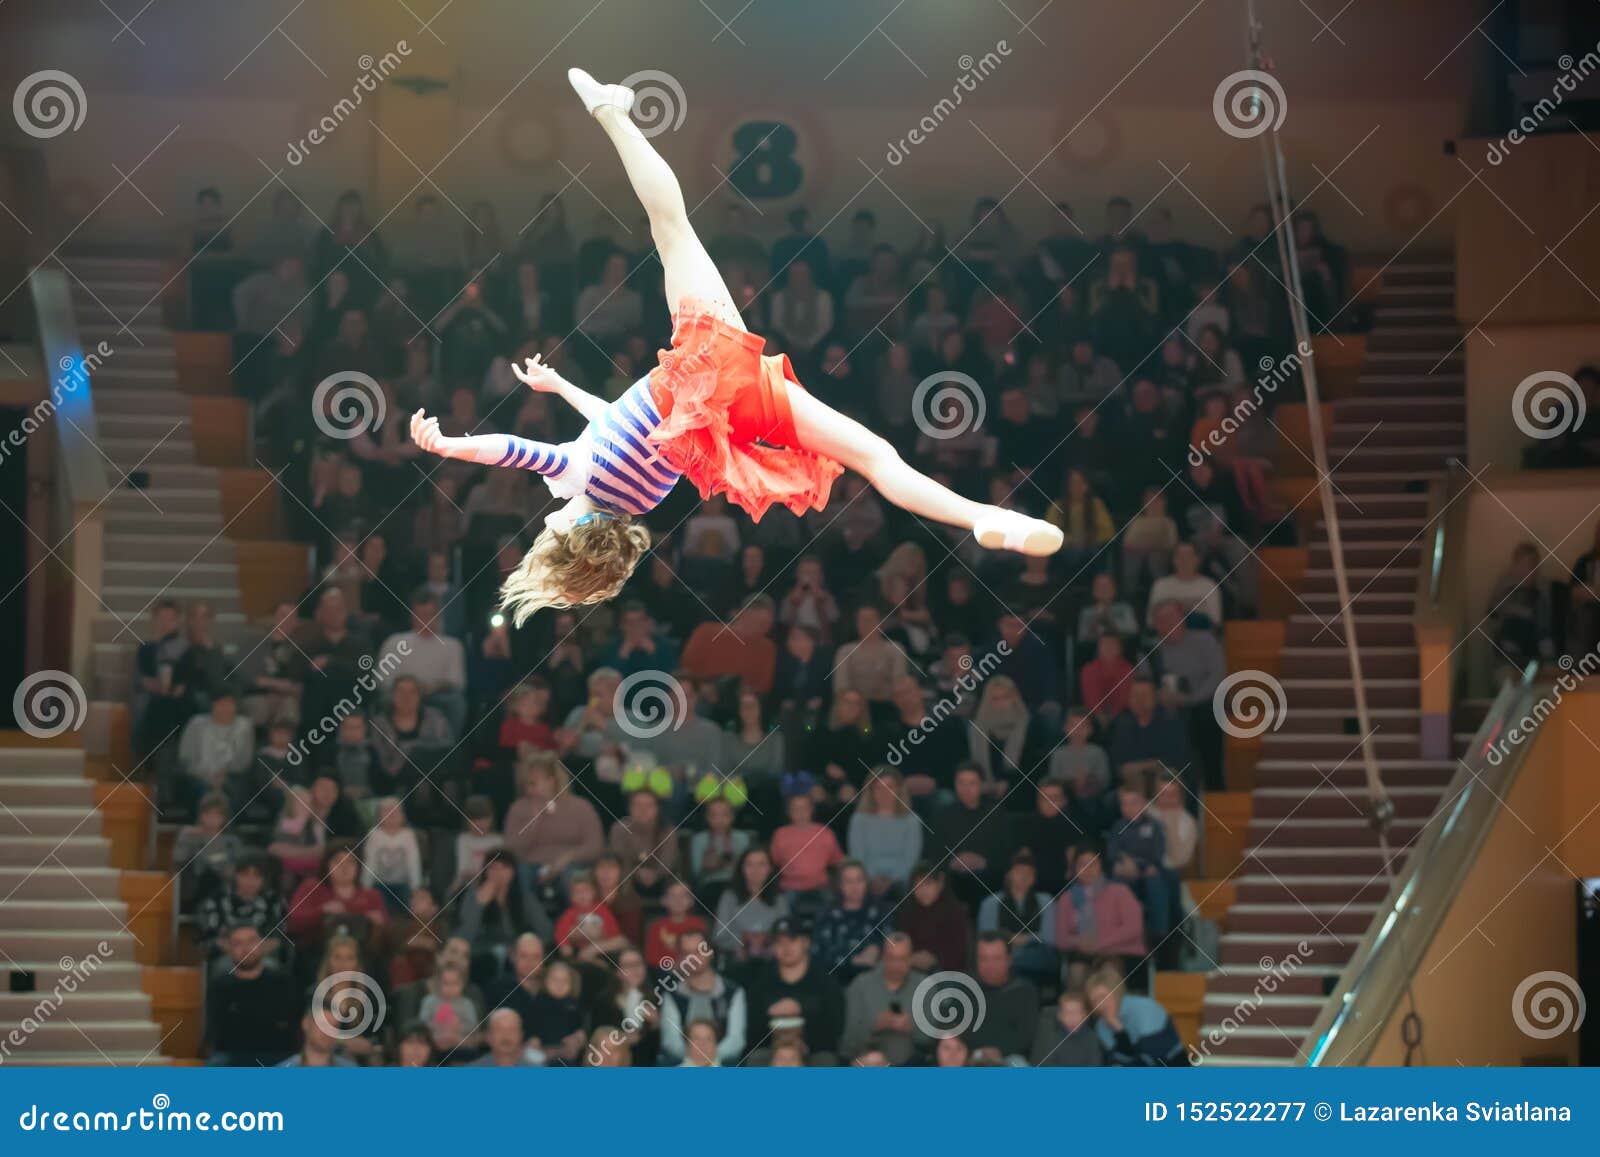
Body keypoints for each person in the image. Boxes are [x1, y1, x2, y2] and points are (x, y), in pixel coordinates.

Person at [406, 69, 1063, 625]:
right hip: (708, 365)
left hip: (746, 410)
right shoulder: (574, 475)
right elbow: (514, 450)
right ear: (565, 533)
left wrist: (562, 389)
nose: (540, 525)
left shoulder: (637, 499)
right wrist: (449, 446)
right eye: (545, 535)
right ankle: (611, 111)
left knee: (876, 457)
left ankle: (979, 519)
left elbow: (619, 424)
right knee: (671, 227)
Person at [745, 917, 846, 1064]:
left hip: (814, 1052)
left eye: (792, 940)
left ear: (806, 943)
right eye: (779, 942)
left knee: (826, 1061)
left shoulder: (825, 982)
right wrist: (770, 1016)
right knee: (756, 1059)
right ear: (772, 948)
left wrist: (801, 1013)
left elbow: (835, 1030)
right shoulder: (761, 982)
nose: (786, 948)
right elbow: (752, 1035)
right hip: (772, 1052)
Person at [204, 925, 300, 1066]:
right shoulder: (220, 986)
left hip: (277, 1055)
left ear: (262, 945)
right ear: (229, 950)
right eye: (238, 943)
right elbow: (217, 1032)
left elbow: (291, 1027)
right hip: (231, 1058)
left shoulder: (283, 982)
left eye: (251, 941)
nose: (246, 948)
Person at [839, 931, 927, 1066]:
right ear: (883, 958)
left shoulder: (925, 986)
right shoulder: (860, 986)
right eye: (892, 958)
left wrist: (911, 1028)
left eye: (902, 959)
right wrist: (875, 1026)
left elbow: (936, 1042)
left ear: (911, 959)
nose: (897, 965)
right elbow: (847, 1045)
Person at [658, 933, 747, 1065]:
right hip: (682, 1062)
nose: (693, 958)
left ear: (710, 952)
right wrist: (694, 1058)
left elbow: (736, 1040)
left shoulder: (733, 992)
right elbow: (671, 1041)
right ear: (680, 957)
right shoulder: (672, 994)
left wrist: (708, 1057)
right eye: (687, 953)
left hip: (724, 1062)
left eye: (698, 951)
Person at [1085, 968, 1188, 1066]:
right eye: (1094, 1000)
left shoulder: (1145, 1007)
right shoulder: (1101, 1026)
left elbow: (1153, 1056)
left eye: (1103, 996)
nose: (1100, 1004)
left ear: (1116, 993)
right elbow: (1123, 1060)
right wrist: (1118, 1029)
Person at [966, 933, 1040, 1065]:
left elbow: (1027, 1035)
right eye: (984, 959)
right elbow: (953, 1031)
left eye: (996, 959)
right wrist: (977, 1052)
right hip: (970, 1058)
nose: (990, 966)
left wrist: (999, 1051)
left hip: (1010, 1059)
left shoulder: (1024, 991)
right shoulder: (964, 989)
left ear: (1009, 960)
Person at [1029, 990, 1106, 1067]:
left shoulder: (1092, 1038)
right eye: (1067, 1013)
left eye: (1077, 1012)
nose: (1072, 1018)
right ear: (1060, 1016)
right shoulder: (1049, 1038)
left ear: (1085, 1015)